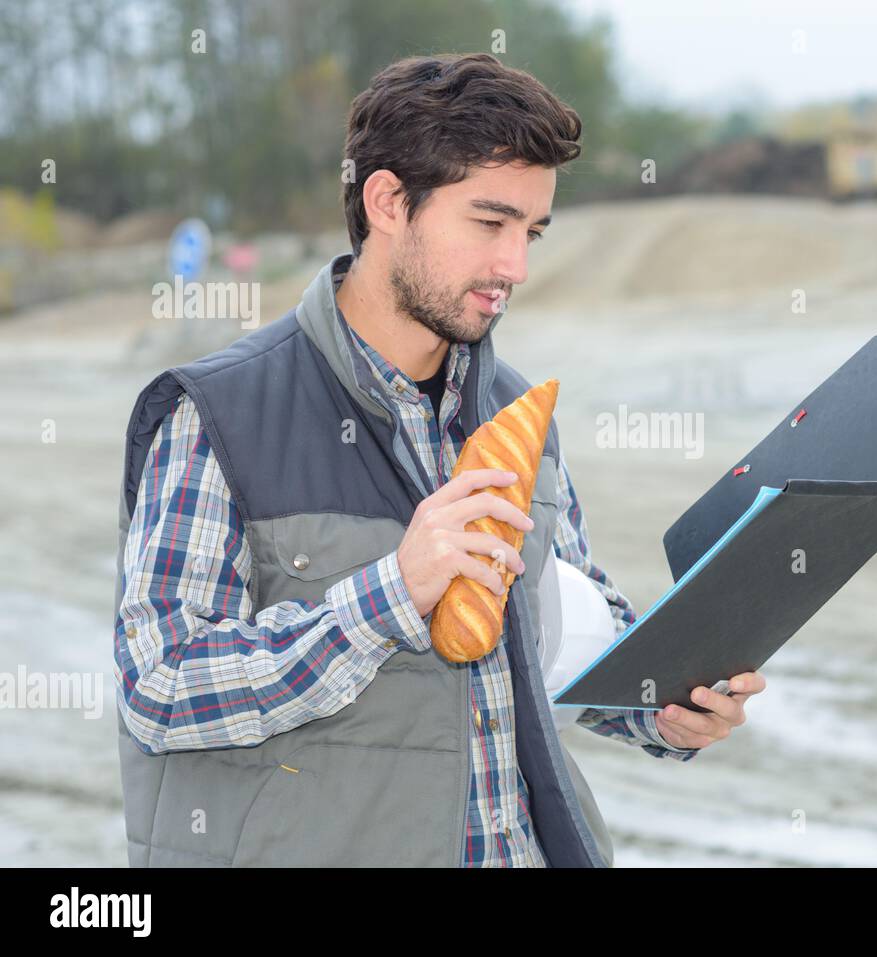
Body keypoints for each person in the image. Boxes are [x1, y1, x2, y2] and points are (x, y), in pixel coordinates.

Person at [112, 52, 765, 868]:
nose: (515, 267)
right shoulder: (218, 415)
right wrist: (391, 593)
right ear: (388, 201)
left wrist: (661, 706)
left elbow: (562, 632)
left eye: (531, 232)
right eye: (489, 224)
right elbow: (159, 686)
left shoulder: (518, 416)